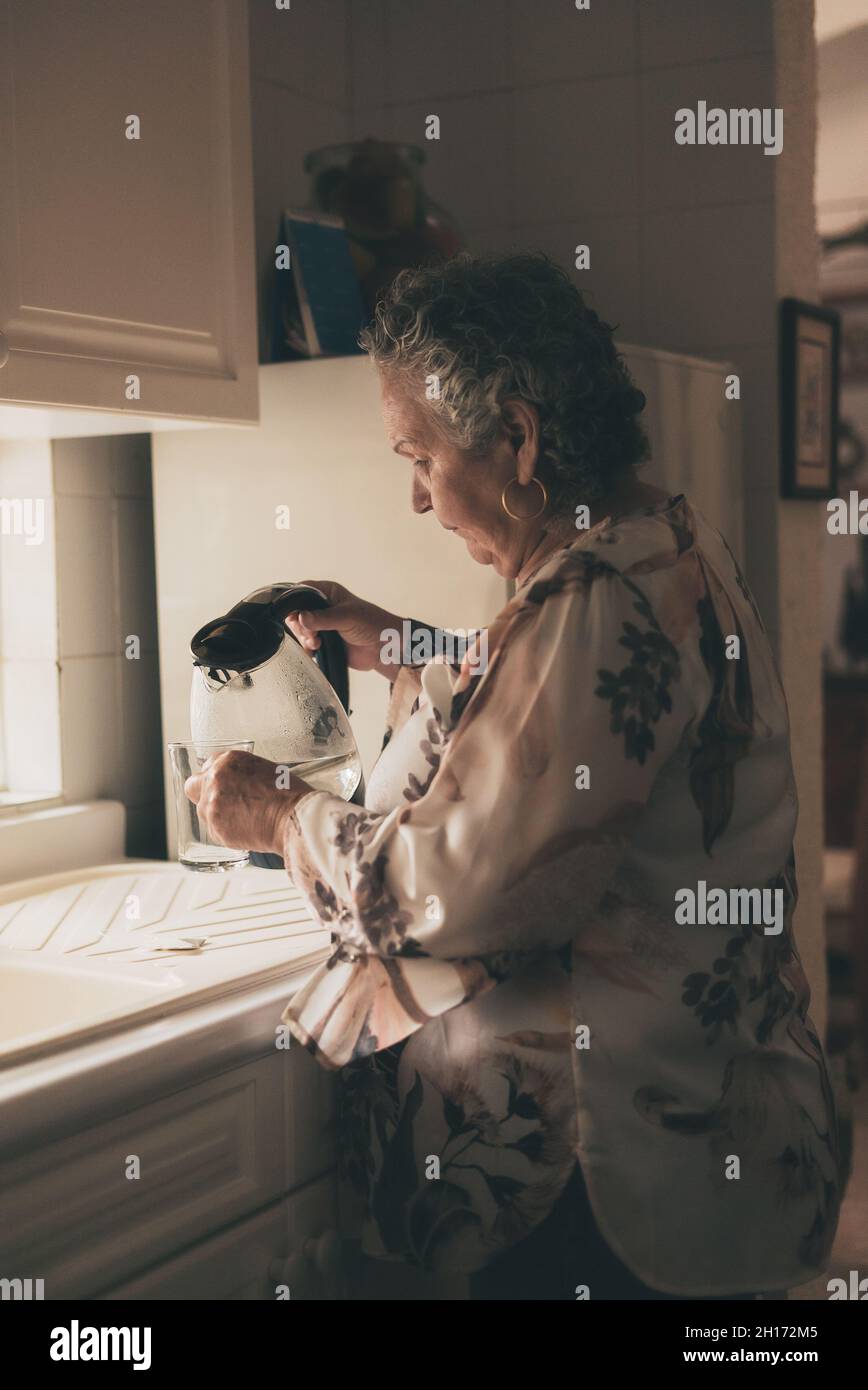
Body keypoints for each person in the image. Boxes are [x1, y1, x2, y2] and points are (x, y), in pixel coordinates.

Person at [186, 253, 840, 1300]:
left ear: (521, 441)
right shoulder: (661, 546)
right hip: (707, 1118)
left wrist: (277, 815)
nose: (413, 497)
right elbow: (569, 725)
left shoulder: (592, 595)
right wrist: (406, 644)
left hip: (608, 1175)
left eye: (420, 456)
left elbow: (457, 894)